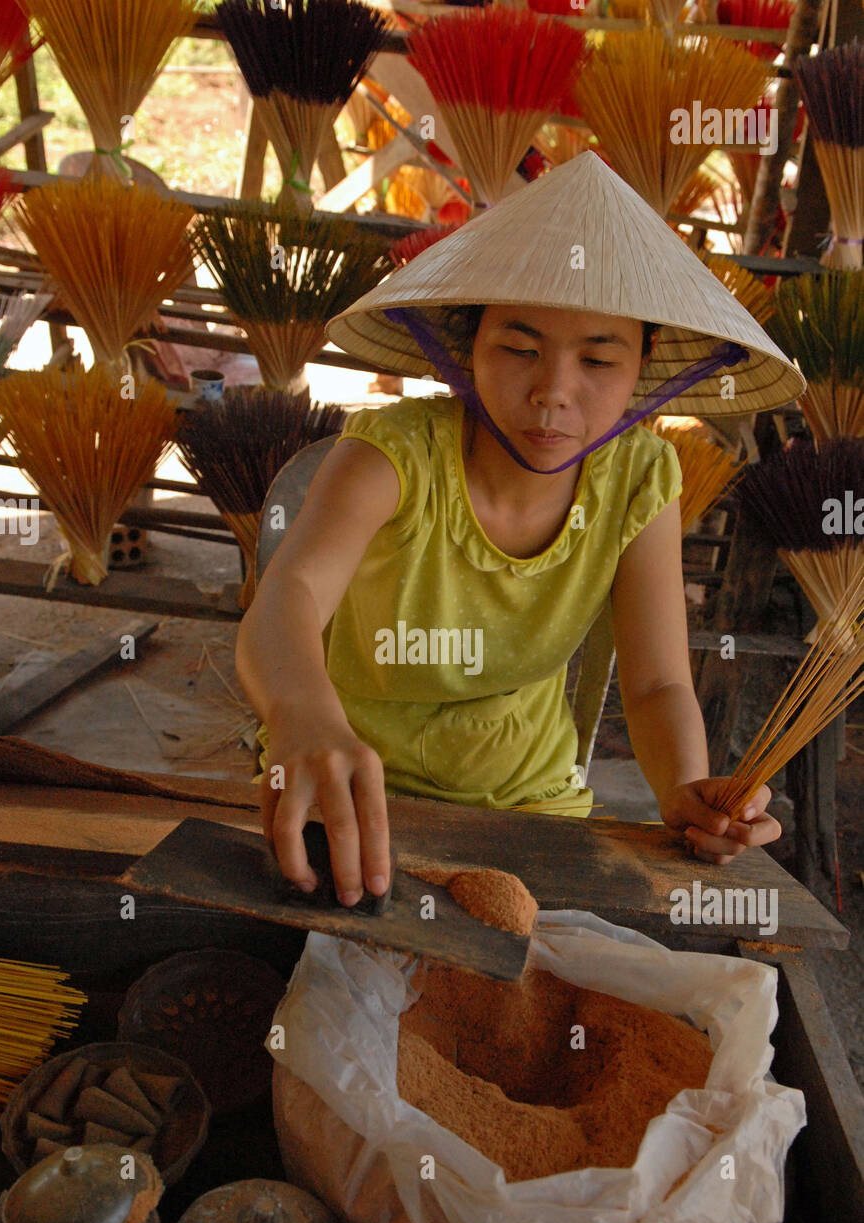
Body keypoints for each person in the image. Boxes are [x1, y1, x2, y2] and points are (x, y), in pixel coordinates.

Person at [236, 153, 805, 907]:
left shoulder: (639, 481)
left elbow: (658, 682)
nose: (552, 394)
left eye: (599, 358)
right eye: (519, 348)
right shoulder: (391, 457)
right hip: (350, 788)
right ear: (466, 348)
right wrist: (302, 716)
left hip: (532, 811)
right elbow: (290, 598)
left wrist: (688, 793)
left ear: (642, 372)